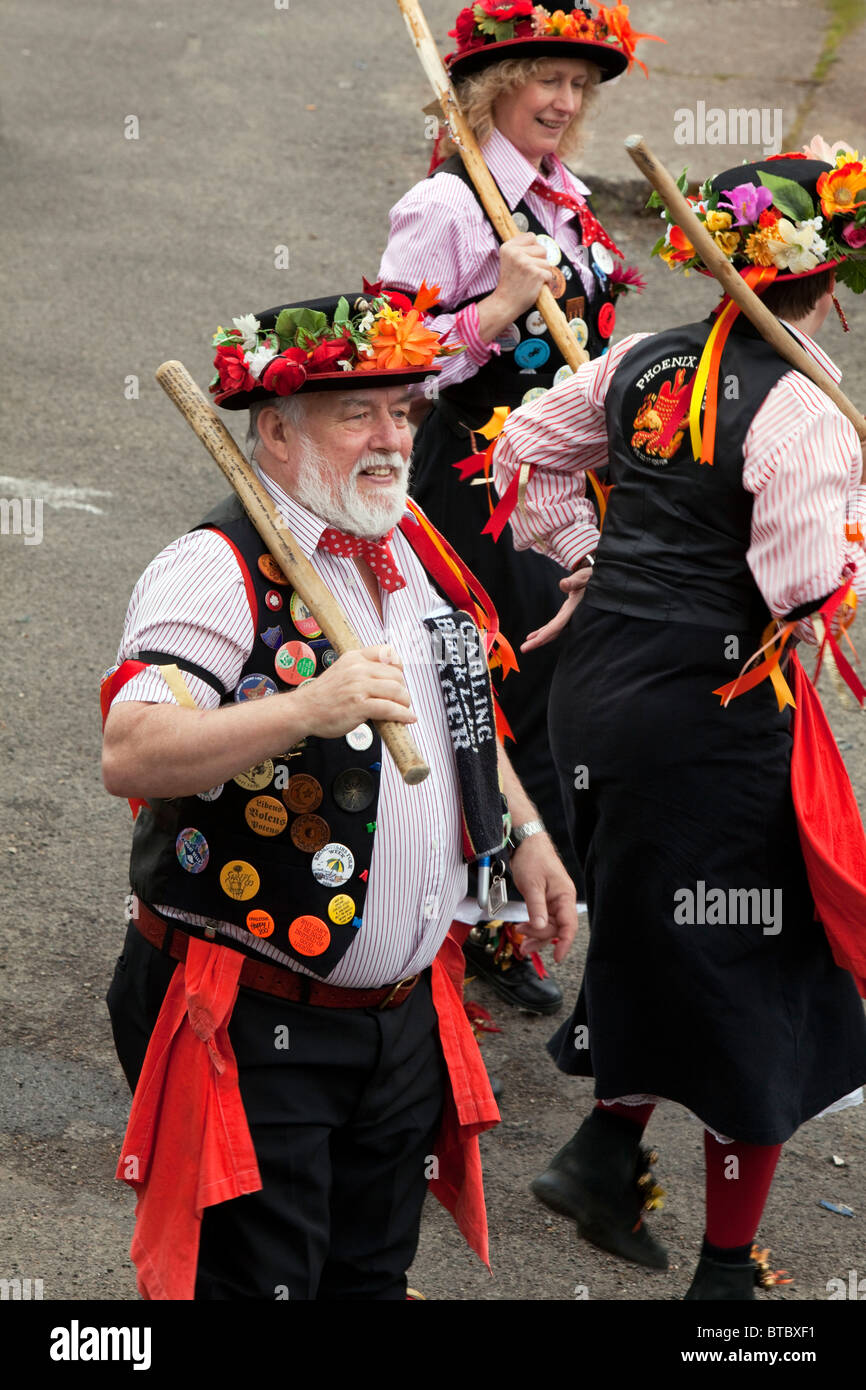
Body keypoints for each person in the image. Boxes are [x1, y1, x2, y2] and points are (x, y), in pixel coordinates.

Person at [101, 285, 578, 1301]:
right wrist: (301, 709)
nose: (391, 435)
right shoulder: (213, 569)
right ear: (273, 430)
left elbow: (459, 706)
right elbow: (133, 750)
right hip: (252, 1017)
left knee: (368, 1275)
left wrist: (525, 831)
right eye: (356, 410)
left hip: (401, 1016)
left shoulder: (407, 541)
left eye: (403, 409)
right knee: (260, 1284)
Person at [492, 148, 866, 1299]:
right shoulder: (802, 411)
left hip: (597, 692)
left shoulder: (636, 359)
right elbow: (802, 586)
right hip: (707, 715)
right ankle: (724, 1269)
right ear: (834, 282)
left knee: (660, 922)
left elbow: (520, 453)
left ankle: (603, 1150)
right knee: (759, 968)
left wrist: (595, 564)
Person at [378, 0, 661, 1013]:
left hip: (549, 490)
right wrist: (493, 306)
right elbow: (390, 368)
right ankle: (475, 916)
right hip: (467, 492)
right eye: (547, 78)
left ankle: (504, 896)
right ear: (497, 86)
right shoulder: (449, 211)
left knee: (543, 698)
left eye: (578, 85)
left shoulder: (557, 197)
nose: (565, 98)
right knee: (488, 695)